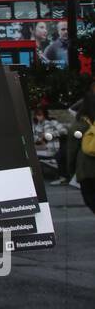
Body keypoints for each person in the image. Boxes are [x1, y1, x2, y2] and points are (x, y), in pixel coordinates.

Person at [69, 80, 95, 214]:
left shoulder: (80, 124)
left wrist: (70, 170)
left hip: (87, 170)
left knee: (90, 199)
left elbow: (72, 149)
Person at [31, 106, 65, 182]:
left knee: (32, 155)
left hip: (52, 148)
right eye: (37, 115)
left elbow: (64, 131)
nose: (39, 117)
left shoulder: (52, 122)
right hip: (41, 147)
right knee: (29, 154)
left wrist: (50, 134)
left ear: (45, 114)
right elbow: (34, 137)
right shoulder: (36, 125)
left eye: (40, 114)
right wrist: (39, 138)